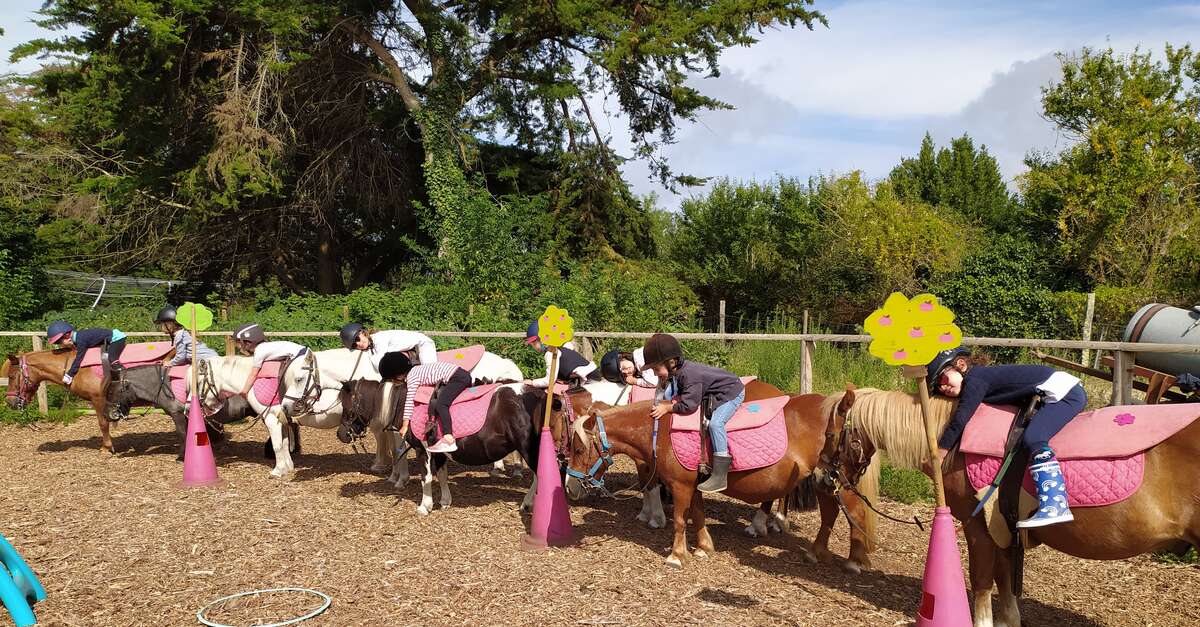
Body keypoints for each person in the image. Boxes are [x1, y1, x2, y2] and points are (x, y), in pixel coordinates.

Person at [927, 347, 1085, 528]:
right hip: (1058, 392)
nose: (942, 387)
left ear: (961, 365)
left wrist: (941, 451)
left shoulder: (975, 380)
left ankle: (1055, 504)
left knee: (1034, 437)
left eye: (943, 378)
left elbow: (962, 417)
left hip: (1065, 394)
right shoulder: (980, 379)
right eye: (938, 387)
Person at [642, 333, 744, 493]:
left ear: (671, 362)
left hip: (731, 392)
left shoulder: (689, 375)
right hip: (716, 390)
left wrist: (668, 408)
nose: (655, 374)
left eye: (656, 369)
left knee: (716, 424)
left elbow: (689, 406)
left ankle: (720, 474)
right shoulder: (679, 372)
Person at [381, 351, 470, 454]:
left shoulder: (412, 378)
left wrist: (405, 425)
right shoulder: (417, 369)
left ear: (399, 376)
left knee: (441, 404)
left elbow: (409, 401)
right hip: (459, 373)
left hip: (457, 378)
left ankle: (448, 438)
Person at [46, 320, 129, 419]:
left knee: (113, 359)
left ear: (67, 336)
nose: (60, 344)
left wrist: (70, 374)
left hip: (117, 338)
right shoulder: (79, 338)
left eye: (59, 341)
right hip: (108, 339)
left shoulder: (81, 340)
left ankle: (125, 377)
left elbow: (79, 359)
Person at [232, 323, 308, 400]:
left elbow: (253, 375)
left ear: (248, 343)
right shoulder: (265, 347)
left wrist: (244, 391)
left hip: (299, 355)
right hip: (302, 351)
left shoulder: (259, 352)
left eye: (240, 343)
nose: (239, 347)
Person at [522, 319, 599, 388]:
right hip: (592, 375)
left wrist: (532, 382)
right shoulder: (561, 347)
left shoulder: (551, 354)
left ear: (542, 340)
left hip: (589, 381)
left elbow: (549, 381)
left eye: (534, 343)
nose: (533, 346)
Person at [340, 323, 438, 375]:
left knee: (429, 374)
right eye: (355, 345)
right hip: (412, 350)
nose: (359, 344)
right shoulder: (372, 346)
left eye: (358, 339)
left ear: (363, 333)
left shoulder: (379, 339)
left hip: (423, 344)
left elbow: (381, 364)